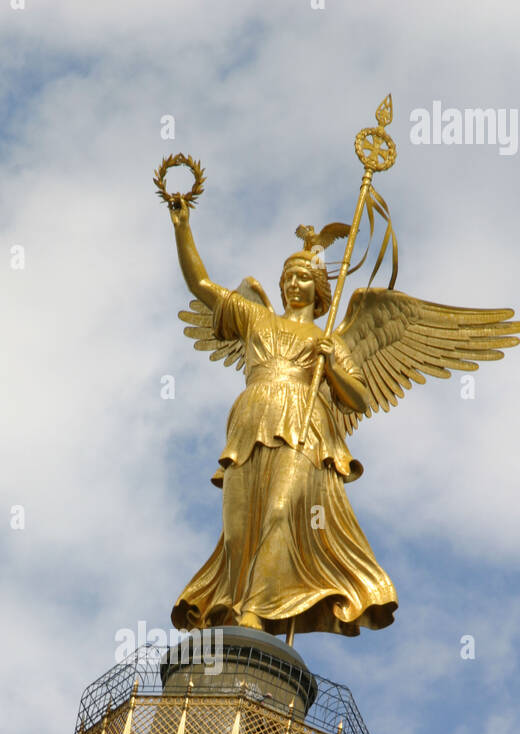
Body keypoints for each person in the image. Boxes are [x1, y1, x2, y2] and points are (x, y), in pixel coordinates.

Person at [167, 195, 398, 637]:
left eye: (304, 278)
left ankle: (256, 614)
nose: (293, 284)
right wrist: (182, 227)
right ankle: (234, 612)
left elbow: (359, 399)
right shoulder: (256, 319)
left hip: (304, 426)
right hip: (252, 418)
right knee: (237, 533)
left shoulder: (328, 339)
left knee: (277, 514)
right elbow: (201, 284)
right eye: (288, 277)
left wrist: (330, 365)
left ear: (319, 290)